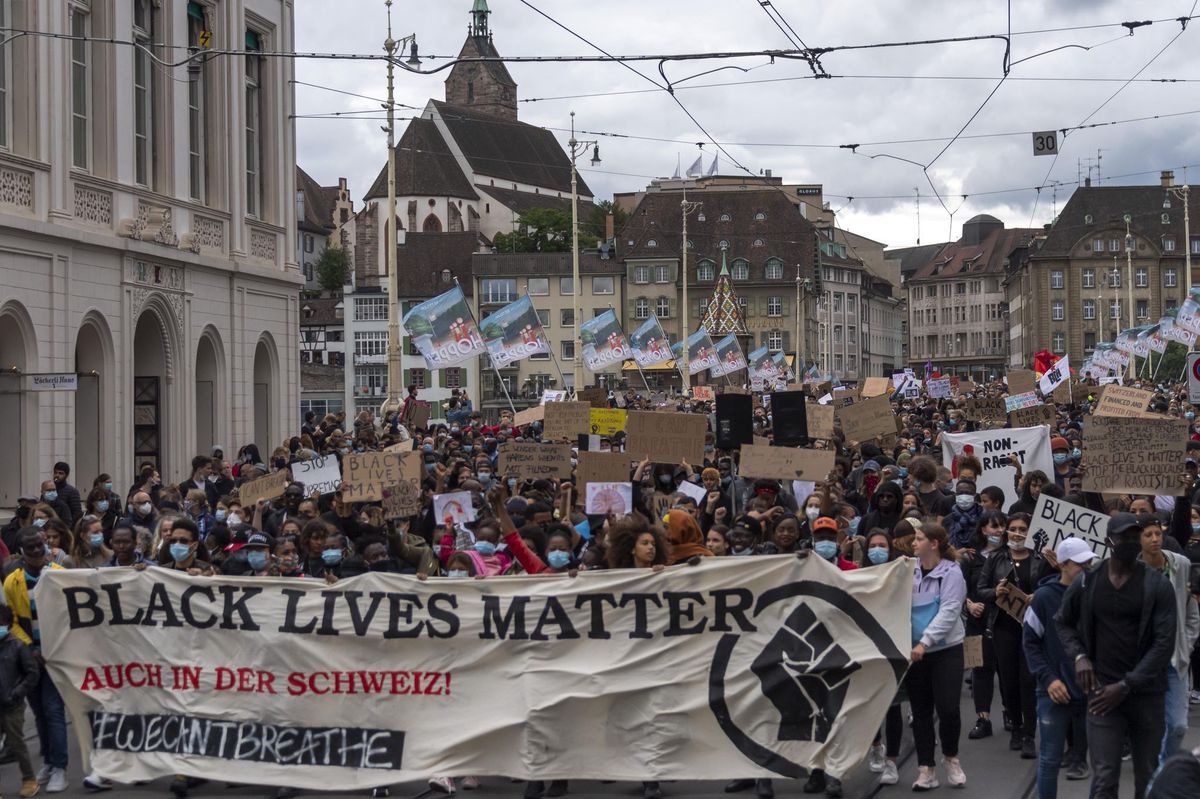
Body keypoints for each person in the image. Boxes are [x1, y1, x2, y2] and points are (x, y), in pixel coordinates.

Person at [1055, 512, 1178, 799]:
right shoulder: (1088, 582)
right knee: (1105, 777)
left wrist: (1126, 686)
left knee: (1147, 775)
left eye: (1137, 536)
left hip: (1146, 694)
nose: (1133, 542)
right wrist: (1079, 656)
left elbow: (1164, 645)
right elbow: (1062, 622)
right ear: (1110, 541)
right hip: (1101, 693)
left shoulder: (1157, 585)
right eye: (1126, 536)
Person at [1025, 537, 1096, 798]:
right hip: (1054, 692)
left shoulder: (1097, 593)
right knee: (1049, 760)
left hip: (1092, 693)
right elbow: (1030, 643)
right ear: (1063, 564)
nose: (1087, 568)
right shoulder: (1043, 598)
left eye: (1089, 562)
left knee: (1101, 763)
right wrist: (1049, 680)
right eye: (1080, 564)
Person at [3, 529, 68, 793]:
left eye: (40, 546)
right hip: (30, 659)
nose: (37, 552)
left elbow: (69, 616)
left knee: (53, 710)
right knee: (39, 711)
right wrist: (29, 649)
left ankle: (60, 766)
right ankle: (49, 763)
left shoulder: (60, 576)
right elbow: (13, 622)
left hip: (54, 655)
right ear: (22, 552)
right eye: (30, 549)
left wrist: (51, 647)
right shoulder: (12, 582)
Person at [977, 512, 1045, 758]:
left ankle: (1029, 733)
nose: (1017, 533)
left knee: (1028, 680)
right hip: (1004, 627)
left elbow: (1051, 586)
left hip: (1031, 629)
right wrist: (995, 592)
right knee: (1009, 681)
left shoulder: (1040, 559)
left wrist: (1039, 596)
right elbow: (981, 590)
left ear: (1030, 532)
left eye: (1022, 529)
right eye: (1013, 528)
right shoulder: (995, 559)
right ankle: (1015, 726)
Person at [1134, 513, 1200, 761]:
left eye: (1158, 534)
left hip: (1175, 659)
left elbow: (1191, 609)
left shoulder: (1180, 564)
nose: (1154, 539)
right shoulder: (1131, 570)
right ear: (1138, 539)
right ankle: (1151, 767)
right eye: (1148, 535)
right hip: (1143, 660)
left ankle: (1163, 768)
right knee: (1148, 725)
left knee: (1178, 725)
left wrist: (1188, 642)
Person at [908, 523, 968, 791]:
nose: (913, 543)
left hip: (945, 651)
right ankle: (926, 769)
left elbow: (950, 611)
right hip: (914, 652)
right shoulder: (907, 570)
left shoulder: (952, 573)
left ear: (933, 544)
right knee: (920, 711)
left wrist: (925, 641)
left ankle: (951, 758)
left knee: (948, 708)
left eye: (919, 539)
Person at [0, 603, 41, 799]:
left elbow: (32, 674)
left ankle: (29, 779)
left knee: (17, 744)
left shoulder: (18, 645)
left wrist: (17, 693)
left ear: (7, 624)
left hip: (12, 706)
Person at [50, 462, 82, 529]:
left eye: (60, 473)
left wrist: (66, 528)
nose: (57, 475)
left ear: (66, 475)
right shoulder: (49, 489)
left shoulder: (72, 492)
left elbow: (77, 514)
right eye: (55, 472)